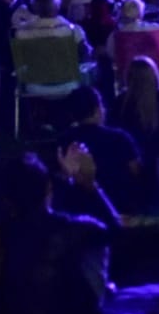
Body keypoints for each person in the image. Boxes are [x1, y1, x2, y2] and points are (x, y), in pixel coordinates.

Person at [0, 150, 116, 314]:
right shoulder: (83, 229)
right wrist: (90, 185)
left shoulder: (3, 235)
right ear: (48, 187)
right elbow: (114, 231)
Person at [61, 85, 144, 217]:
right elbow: (137, 172)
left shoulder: (66, 141)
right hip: (121, 209)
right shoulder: (119, 138)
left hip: (81, 211)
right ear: (98, 109)